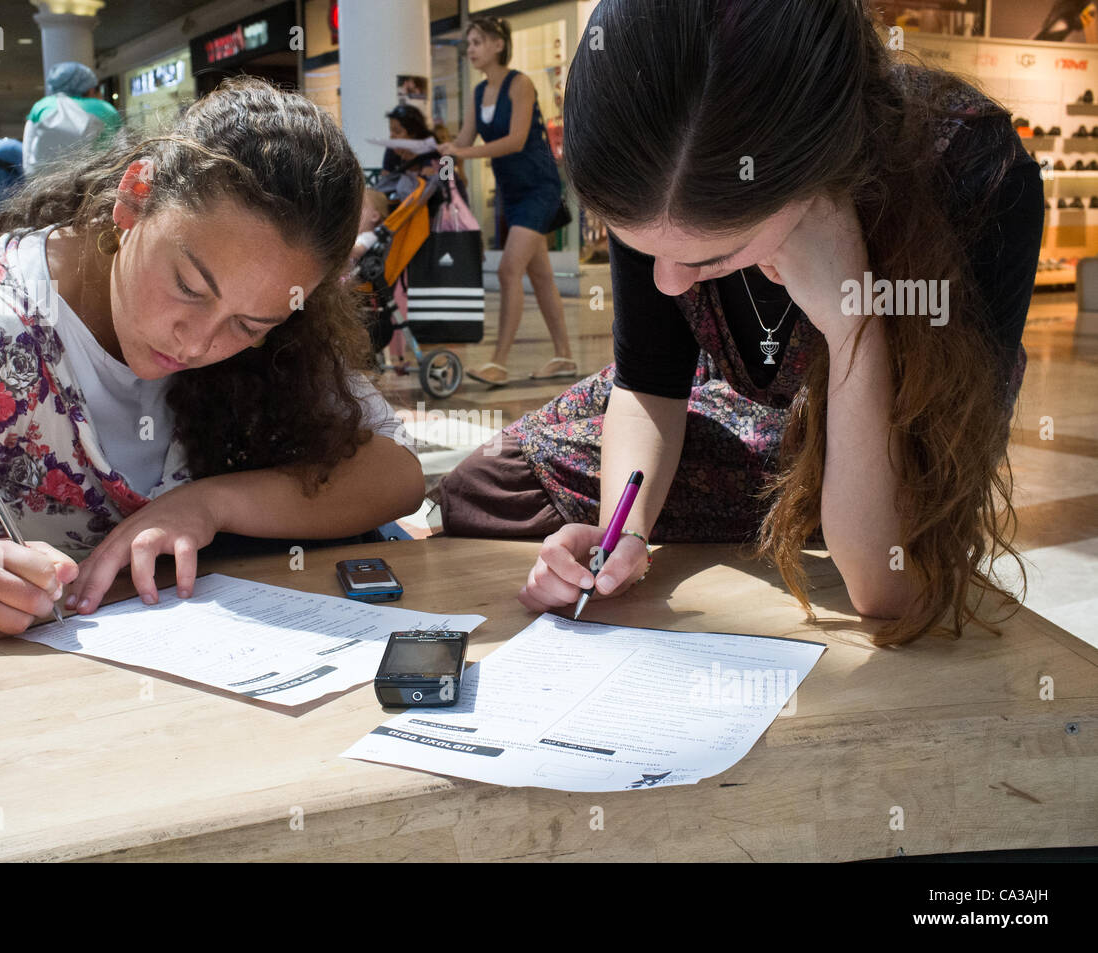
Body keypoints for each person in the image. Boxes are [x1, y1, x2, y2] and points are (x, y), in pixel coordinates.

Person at [437, 0, 1044, 646]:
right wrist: (626, 531)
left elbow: (888, 588)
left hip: (872, 428)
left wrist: (852, 321)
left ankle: (809, 505)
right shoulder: (654, 148)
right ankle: (790, 510)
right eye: (645, 251)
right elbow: (648, 382)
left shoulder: (976, 175)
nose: (668, 283)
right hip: (734, 414)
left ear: (813, 176)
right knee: (476, 489)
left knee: (877, 537)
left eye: (711, 256)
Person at [0, 76, 425, 641]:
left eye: (248, 324)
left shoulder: (278, 323)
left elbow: (394, 476)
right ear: (133, 199)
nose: (197, 343)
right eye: (187, 286)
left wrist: (208, 505)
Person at [437, 15, 575, 387]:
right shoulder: (479, 92)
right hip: (511, 193)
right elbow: (464, 138)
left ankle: (498, 362)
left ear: (499, 44)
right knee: (541, 276)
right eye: (468, 44)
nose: (471, 50)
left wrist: (464, 153)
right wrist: (442, 150)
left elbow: (515, 141)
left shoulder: (521, 84)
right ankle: (564, 356)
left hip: (539, 188)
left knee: (508, 270)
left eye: (478, 42)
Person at [23, 61, 121, 170]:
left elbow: (27, 155)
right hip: (93, 180)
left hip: (47, 183)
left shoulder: (41, 106)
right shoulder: (104, 109)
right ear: (90, 88)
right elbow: (119, 150)